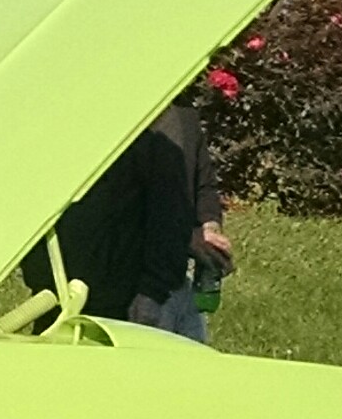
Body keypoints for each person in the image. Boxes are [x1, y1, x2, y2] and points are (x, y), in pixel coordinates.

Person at [21, 126, 190, 325]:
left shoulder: (151, 147)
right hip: (51, 299)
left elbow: (170, 223)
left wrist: (152, 292)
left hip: (119, 306)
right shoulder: (49, 142)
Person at [149, 103, 234, 343]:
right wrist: (190, 240)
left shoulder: (184, 117)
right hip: (135, 286)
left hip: (178, 279)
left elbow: (204, 184)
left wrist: (210, 226)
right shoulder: (125, 126)